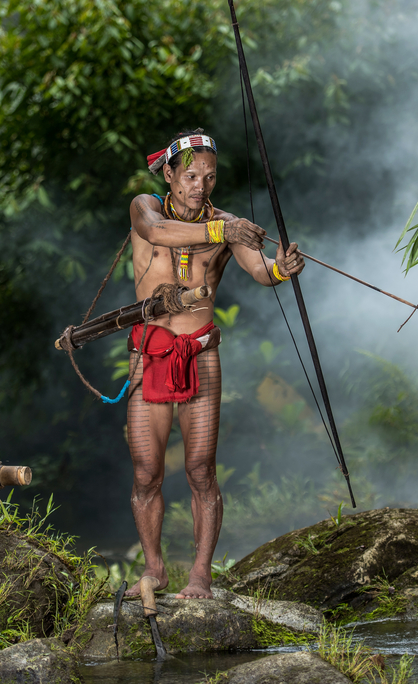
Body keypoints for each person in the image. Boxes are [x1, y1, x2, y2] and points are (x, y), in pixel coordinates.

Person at [126, 130, 304, 598]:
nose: (199, 186)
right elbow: (157, 233)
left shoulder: (228, 225)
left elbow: (262, 272)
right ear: (169, 174)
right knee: (146, 471)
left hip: (201, 353)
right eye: (189, 176)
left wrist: (282, 267)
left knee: (201, 470)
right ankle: (154, 569)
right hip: (150, 353)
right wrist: (224, 230)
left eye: (209, 177)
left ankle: (200, 576)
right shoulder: (146, 207)